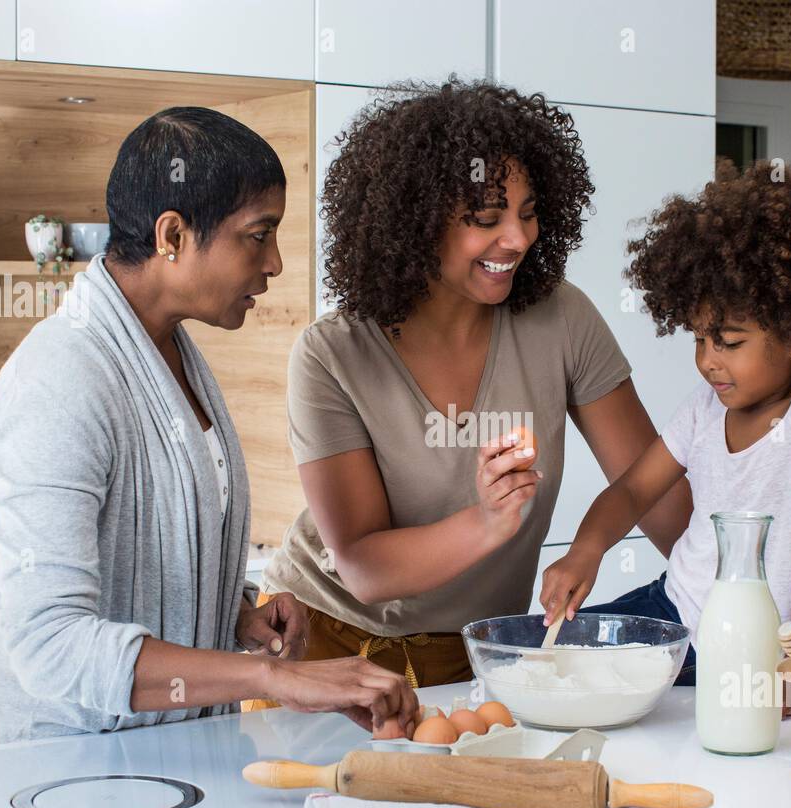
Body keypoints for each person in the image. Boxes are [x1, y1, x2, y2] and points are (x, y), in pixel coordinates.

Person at [0, 107, 416, 750]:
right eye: (258, 234)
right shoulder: (59, 380)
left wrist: (234, 612)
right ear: (173, 235)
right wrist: (270, 676)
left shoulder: (171, 353)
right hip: (46, 762)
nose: (274, 263)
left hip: (150, 753)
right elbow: (51, 645)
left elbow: (147, 559)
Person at [260, 80, 692, 688]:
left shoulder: (562, 320)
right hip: (320, 644)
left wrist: (746, 593)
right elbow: (362, 565)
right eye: (486, 219)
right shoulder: (333, 353)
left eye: (529, 212)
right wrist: (487, 523)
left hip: (475, 651)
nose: (517, 239)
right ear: (415, 223)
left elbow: (653, 489)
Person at [540, 160, 791, 684]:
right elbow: (634, 490)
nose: (708, 360)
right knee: (535, 653)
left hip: (752, 645)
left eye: (728, 342)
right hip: (672, 609)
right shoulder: (706, 407)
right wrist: (585, 551)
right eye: (699, 339)